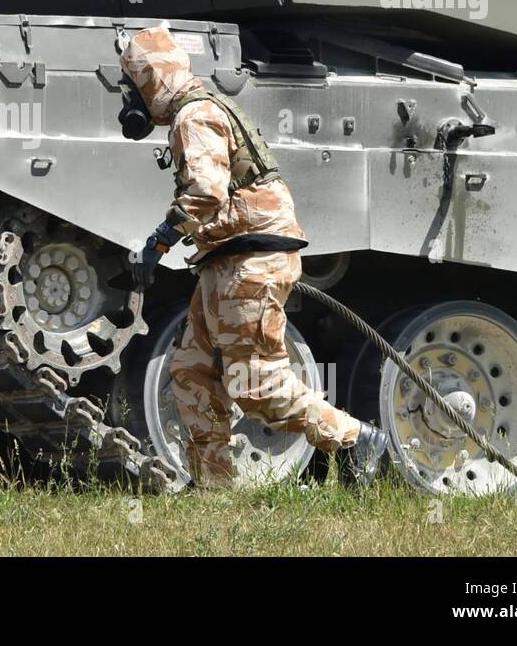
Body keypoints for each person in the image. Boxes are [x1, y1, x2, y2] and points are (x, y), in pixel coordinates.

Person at [119, 25, 387, 486]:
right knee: (192, 373)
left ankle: (355, 439)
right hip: (226, 259)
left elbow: (205, 191)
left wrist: (158, 242)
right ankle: (214, 487)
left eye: (134, 86)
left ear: (151, 80)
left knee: (254, 383)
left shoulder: (193, 116)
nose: (132, 100)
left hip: (250, 259)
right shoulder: (199, 110)